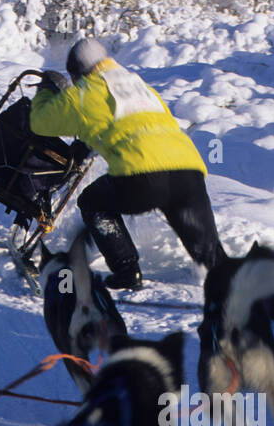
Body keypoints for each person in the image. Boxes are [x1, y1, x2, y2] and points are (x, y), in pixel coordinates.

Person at [29, 36, 225, 290]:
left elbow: (40, 123)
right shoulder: (139, 86)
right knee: (209, 251)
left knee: (92, 202)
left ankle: (126, 270)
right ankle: (263, 301)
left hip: (143, 178)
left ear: (77, 74)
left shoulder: (84, 92)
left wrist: (45, 90)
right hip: (188, 172)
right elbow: (132, 124)